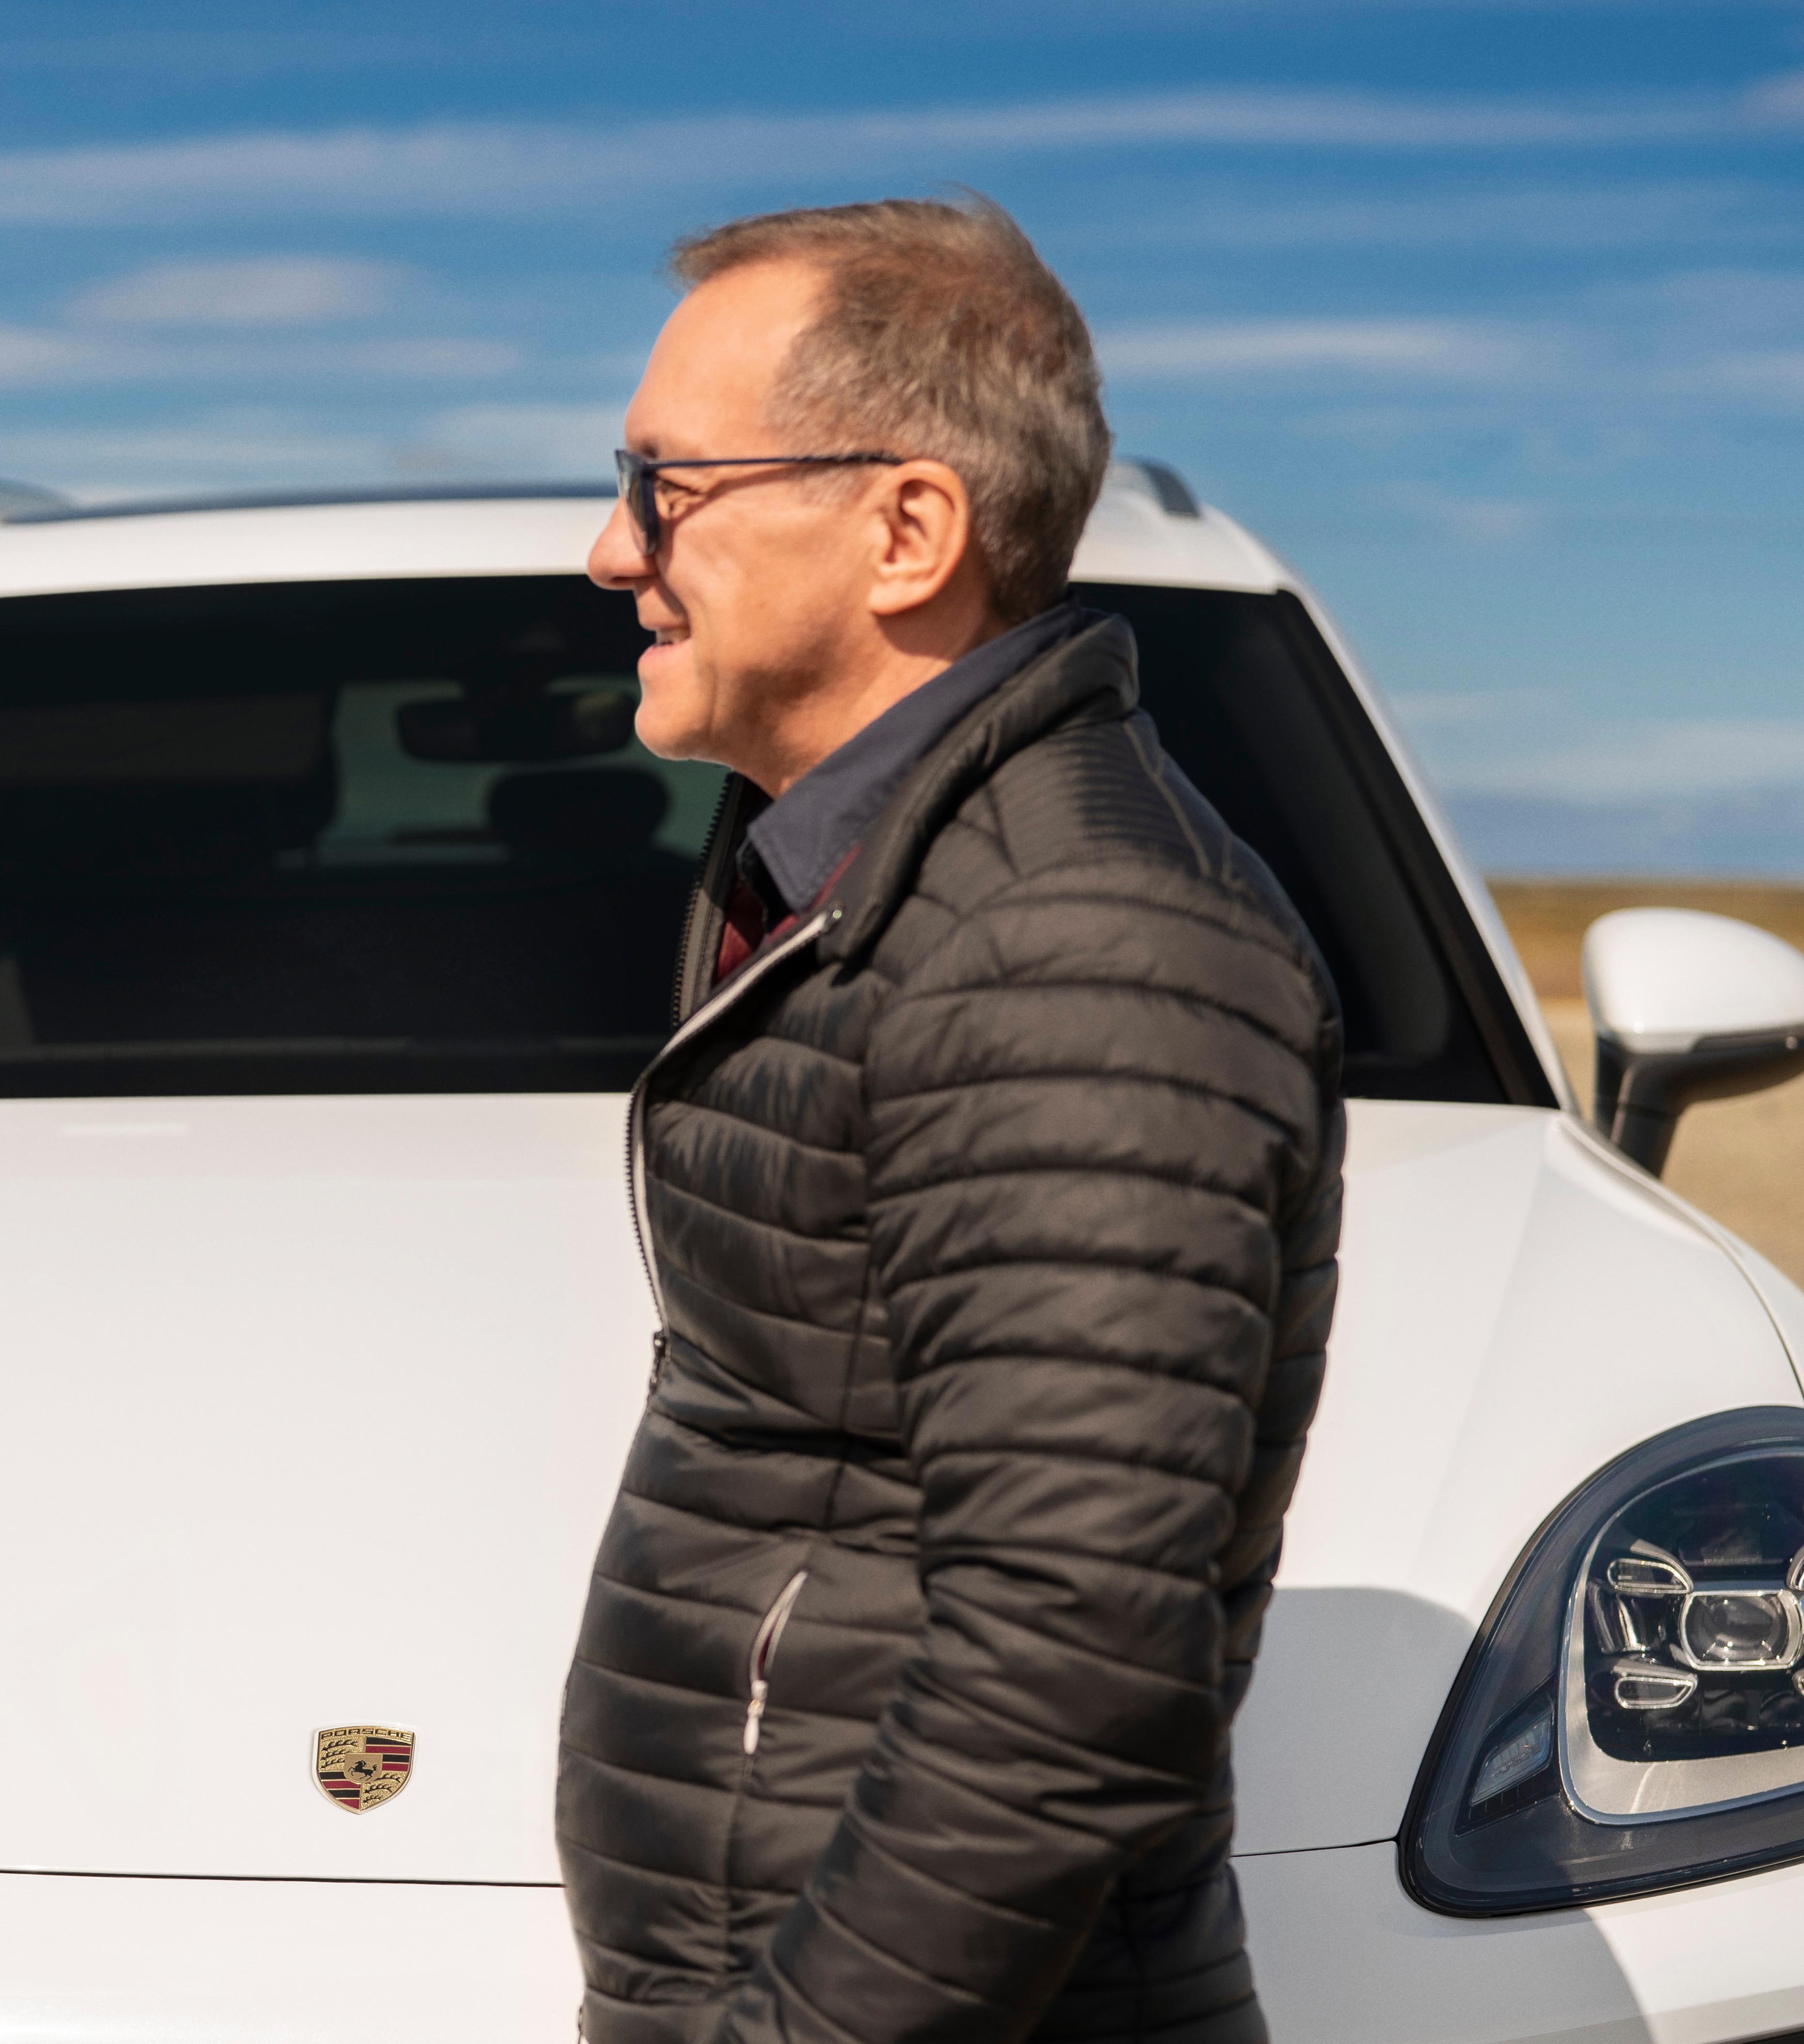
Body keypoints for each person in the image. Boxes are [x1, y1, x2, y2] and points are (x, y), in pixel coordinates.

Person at [556, 198, 1342, 2043]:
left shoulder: (1078, 939)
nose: (610, 552)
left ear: (907, 528)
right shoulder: (852, 872)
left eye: (665, 488)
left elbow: (1064, 1676)